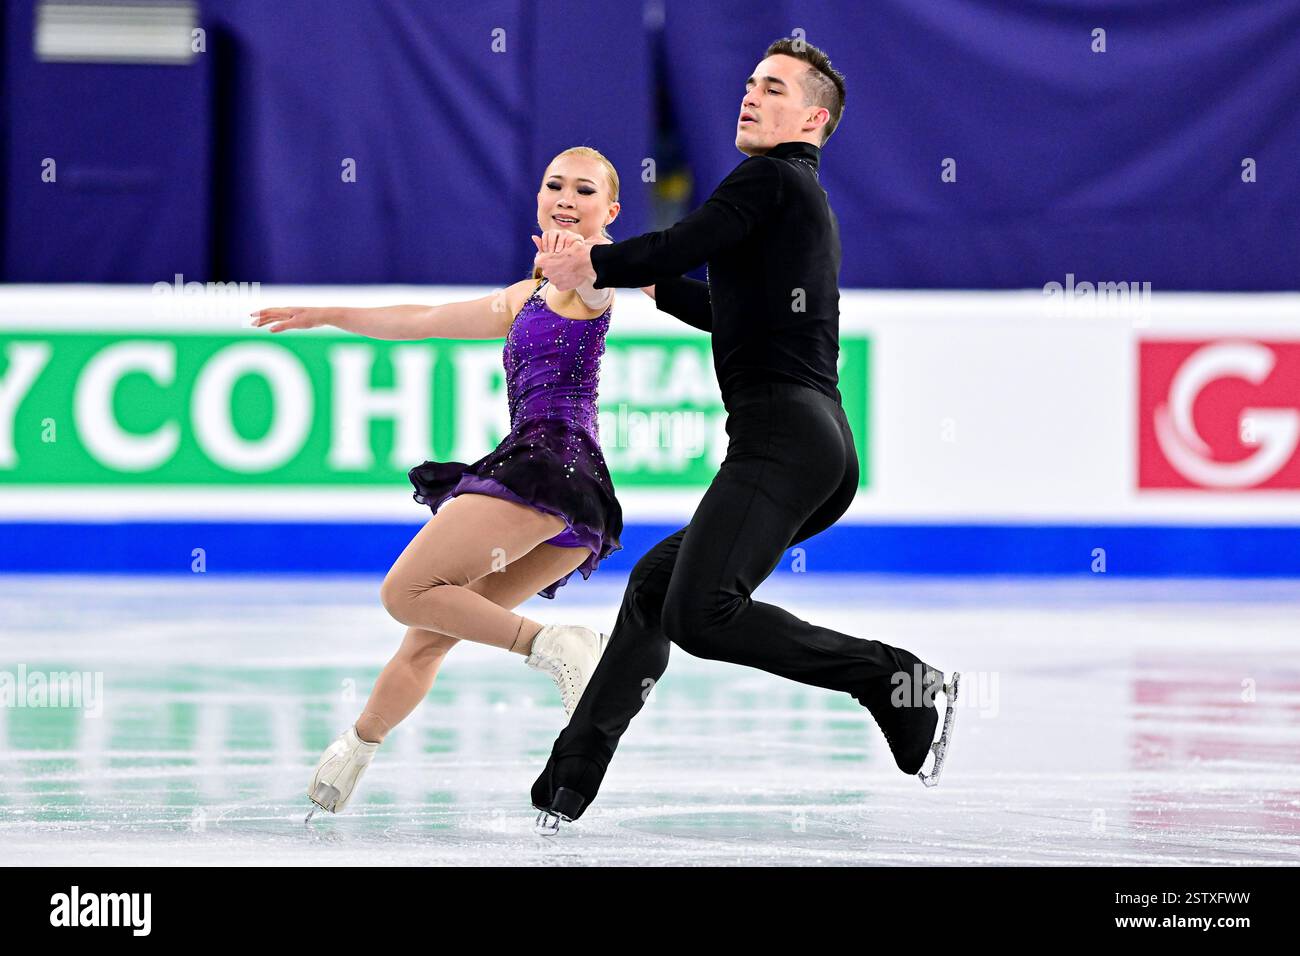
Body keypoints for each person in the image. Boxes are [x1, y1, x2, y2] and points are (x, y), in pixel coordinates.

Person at [529, 40, 959, 831]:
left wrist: (594, 261)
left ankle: (896, 678)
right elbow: (737, 314)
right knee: (658, 591)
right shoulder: (797, 200)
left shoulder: (770, 177)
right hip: (815, 443)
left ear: (814, 119)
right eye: (750, 84)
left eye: (773, 89)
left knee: (703, 614)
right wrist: (655, 287)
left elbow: (683, 240)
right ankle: (572, 772)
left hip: (782, 440)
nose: (750, 98)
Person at [250, 146, 630, 816]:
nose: (566, 197)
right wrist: (329, 315)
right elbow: (423, 322)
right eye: (554, 185)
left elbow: (604, 276)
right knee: (430, 627)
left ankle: (553, 645)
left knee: (406, 590)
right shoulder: (525, 296)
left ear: (609, 211)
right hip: (570, 500)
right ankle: (360, 745)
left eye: (584, 190)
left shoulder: (589, 277)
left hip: (549, 470)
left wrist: (601, 255)